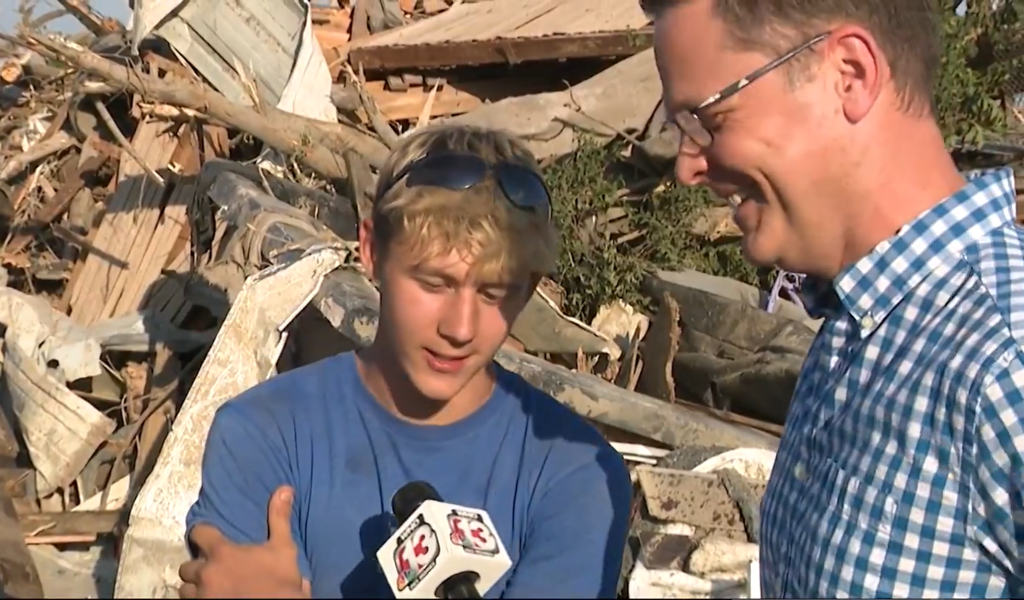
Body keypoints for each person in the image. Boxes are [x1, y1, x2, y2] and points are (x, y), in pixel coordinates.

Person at [645, 0, 1024, 597]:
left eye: (709, 120)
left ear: (849, 74)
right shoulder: (861, 328)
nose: (689, 166)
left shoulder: (1004, 357)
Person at [176, 124, 632, 598]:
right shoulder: (259, 433)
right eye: (434, 284)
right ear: (372, 252)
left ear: (530, 289)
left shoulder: (577, 474)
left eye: (494, 293)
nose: (459, 329)